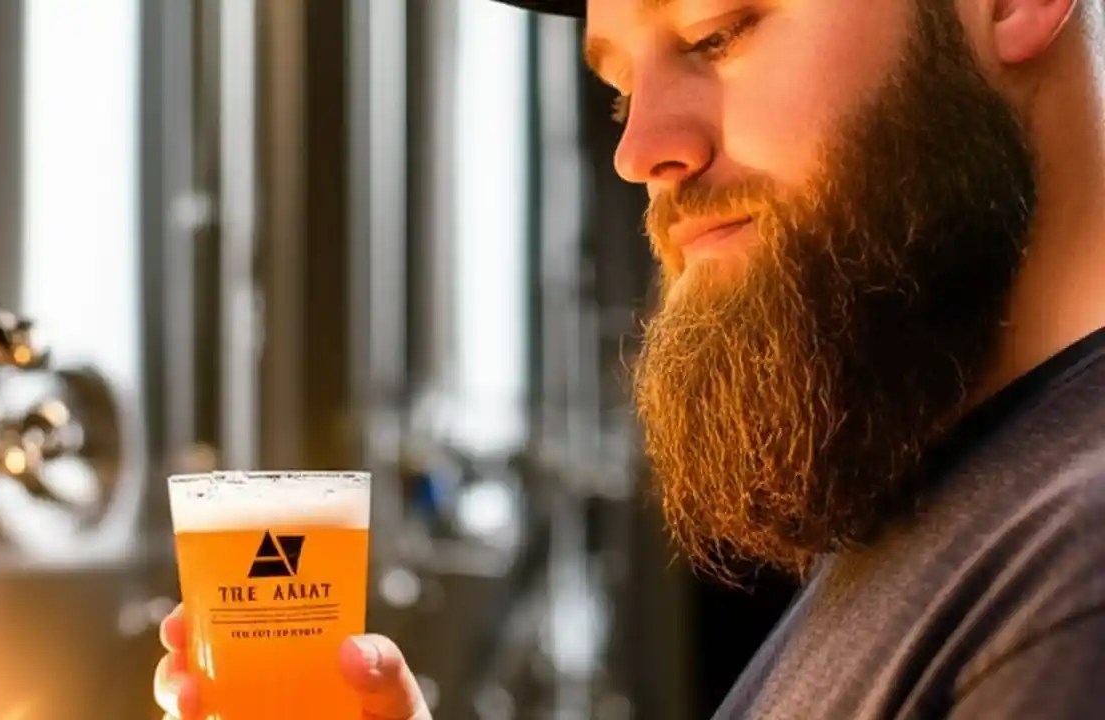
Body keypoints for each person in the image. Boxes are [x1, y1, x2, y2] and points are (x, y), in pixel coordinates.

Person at [158, 0, 1105, 716]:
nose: (641, 148)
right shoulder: (952, 513)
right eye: (620, 91)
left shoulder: (1073, 585)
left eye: (717, 33)